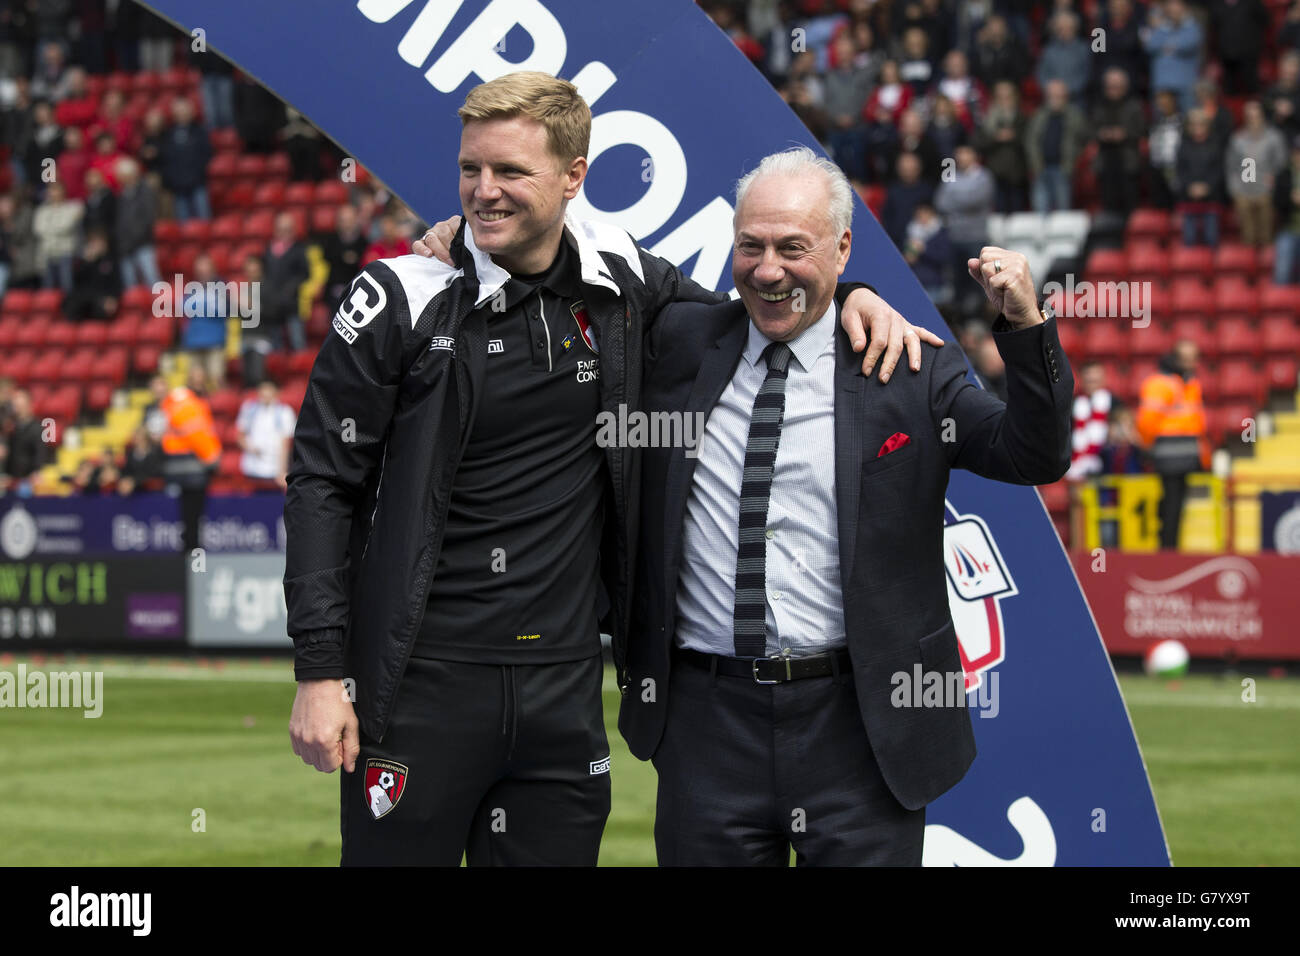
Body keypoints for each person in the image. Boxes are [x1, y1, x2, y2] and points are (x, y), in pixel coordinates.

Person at [283, 70, 937, 868]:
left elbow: (757, 309)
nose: (483, 192)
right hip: (421, 684)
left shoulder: (622, 281)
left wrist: (853, 294)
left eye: (510, 173)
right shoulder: (396, 299)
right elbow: (321, 482)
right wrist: (320, 671)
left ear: (574, 177)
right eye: (470, 170)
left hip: (564, 693)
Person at [618, 147, 1074, 866]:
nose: (767, 270)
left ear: (843, 247)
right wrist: (454, 245)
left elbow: (1033, 456)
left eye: (793, 248)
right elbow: (568, 257)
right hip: (706, 727)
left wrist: (1023, 323)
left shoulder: (909, 367)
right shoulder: (678, 341)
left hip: (862, 728)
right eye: (751, 247)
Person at [1136, 340, 1210, 550]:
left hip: (1186, 452)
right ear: (1176, 358)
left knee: (1176, 504)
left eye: (1194, 358)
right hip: (1168, 453)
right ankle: (1167, 549)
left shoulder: (1189, 382)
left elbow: (1195, 420)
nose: (1192, 362)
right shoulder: (1160, 383)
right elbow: (1147, 421)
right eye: (1187, 358)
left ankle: (1171, 546)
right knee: (1170, 503)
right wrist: (1148, 446)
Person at [1226, 101, 1288, 248]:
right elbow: (1231, 167)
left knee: (1267, 236)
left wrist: (1275, 182)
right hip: (1243, 193)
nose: (1254, 120)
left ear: (1263, 117)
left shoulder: (1274, 138)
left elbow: (1282, 164)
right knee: (1248, 237)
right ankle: (1248, 267)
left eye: (1257, 117)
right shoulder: (1238, 139)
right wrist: (1235, 190)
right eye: (1250, 117)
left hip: (1266, 193)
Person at [179, 252, 228, 387]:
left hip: (214, 341)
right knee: (194, 382)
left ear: (212, 268)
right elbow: (185, 307)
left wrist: (198, 305)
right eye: (199, 268)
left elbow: (220, 309)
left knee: (216, 378)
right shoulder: (192, 288)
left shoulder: (221, 285)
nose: (202, 271)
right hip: (194, 340)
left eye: (205, 267)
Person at [236, 380, 295, 490]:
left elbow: (285, 444)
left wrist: (282, 471)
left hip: (273, 469)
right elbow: (240, 436)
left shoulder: (285, 412)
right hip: (252, 467)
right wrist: (250, 448)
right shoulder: (249, 409)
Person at [1066, 361, 1113, 483]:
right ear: (1082, 380)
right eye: (1089, 380)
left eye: (1095, 380)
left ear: (1103, 379)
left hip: (1108, 464)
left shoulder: (1114, 403)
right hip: (1076, 464)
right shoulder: (1071, 403)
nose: (1092, 384)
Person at [1274, 137, 1300, 285]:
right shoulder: (1284, 174)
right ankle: (1279, 305)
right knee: (1282, 273)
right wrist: (1291, 198)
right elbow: (1277, 202)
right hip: (1288, 229)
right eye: (1297, 152)